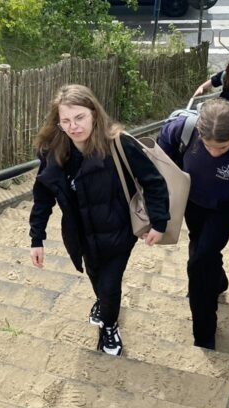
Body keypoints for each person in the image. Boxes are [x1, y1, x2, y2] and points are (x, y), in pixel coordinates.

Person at [28, 84, 169, 356]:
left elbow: (153, 182)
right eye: (66, 120)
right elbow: (42, 197)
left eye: (79, 117)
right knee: (95, 278)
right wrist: (37, 238)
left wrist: (159, 223)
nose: (73, 126)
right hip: (79, 235)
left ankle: (109, 325)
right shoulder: (53, 152)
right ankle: (103, 304)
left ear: (94, 113)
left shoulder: (118, 143)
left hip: (118, 231)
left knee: (110, 284)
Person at [156, 99, 229, 350]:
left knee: (199, 261)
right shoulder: (183, 129)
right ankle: (218, 283)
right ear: (199, 133)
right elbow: (160, 149)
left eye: (222, 147)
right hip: (193, 201)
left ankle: (204, 334)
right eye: (208, 146)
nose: (214, 152)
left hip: (225, 208)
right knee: (200, 247)